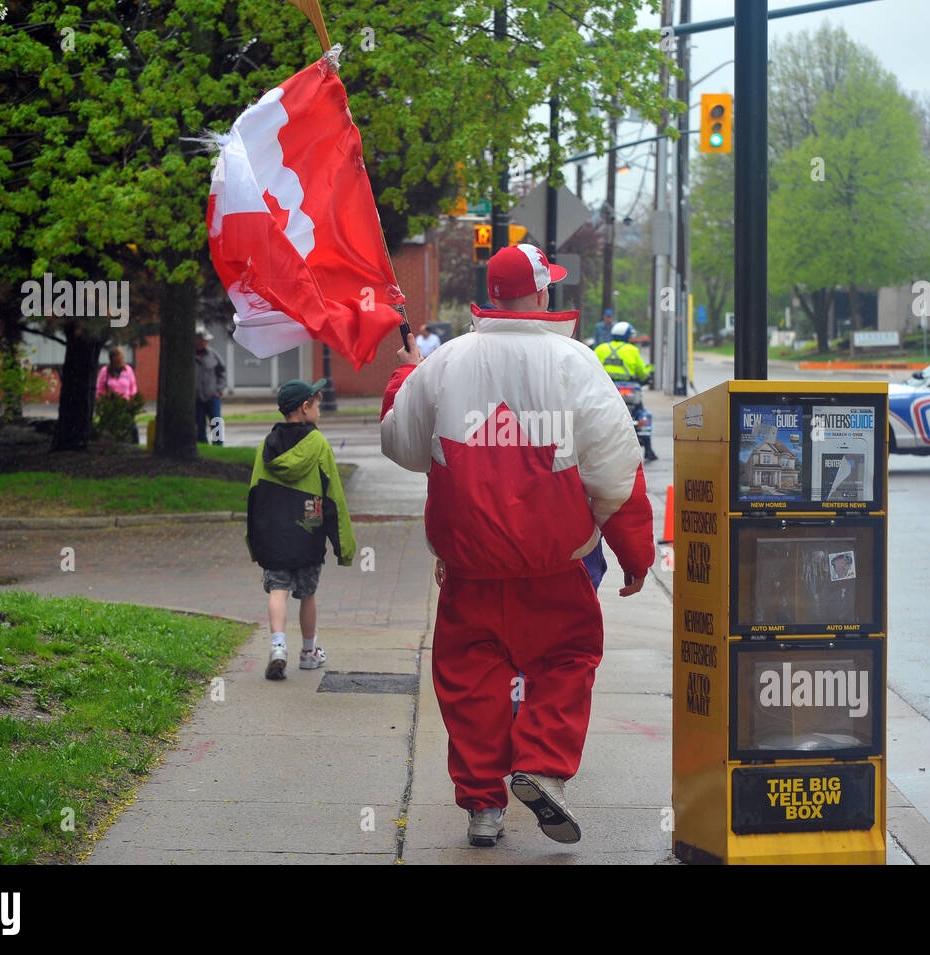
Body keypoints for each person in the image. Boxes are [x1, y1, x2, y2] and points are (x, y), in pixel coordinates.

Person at [381, 243, 654, 849]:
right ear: (541, 295)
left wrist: (404, 376)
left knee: (471, 682)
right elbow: (615, 473)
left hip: (469, 569)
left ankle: (483, 807)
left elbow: (400, 444)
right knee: (565, 662)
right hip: (554, 568)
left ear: (492, 295)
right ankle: (544, 768)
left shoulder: (445, 361)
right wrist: (635, 554)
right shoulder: (575, 363)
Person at [246, 378, 355, 679]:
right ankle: (309, 652)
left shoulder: (266, 447)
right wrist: (343, 546)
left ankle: (278, 646)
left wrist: (254, 540)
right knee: (307, 594)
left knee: (278, 590)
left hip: (273, 537)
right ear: (305, 408)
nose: (320, 410)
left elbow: (254, 495)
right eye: (318, 404)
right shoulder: (318, 444)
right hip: (308, 533)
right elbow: (333, 497)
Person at [596, 322, 657, 461]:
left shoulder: (601, 348)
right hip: (629, 390)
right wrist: (647, 378)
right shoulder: (632, 350)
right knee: (640, 412)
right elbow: (642, 372)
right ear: (626, 336)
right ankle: (648, 449)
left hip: (607, 388)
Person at [195, 326, 227, 445]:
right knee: (199, 423)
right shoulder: (188, 356)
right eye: (204, 339)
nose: (207, 342)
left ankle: (218, 445)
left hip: (213, 397)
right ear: (197, 341)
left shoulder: (213, 354)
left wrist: (219, 390)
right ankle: (202, 444)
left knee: (216, 422)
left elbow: (222, 372)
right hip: (196, 398)